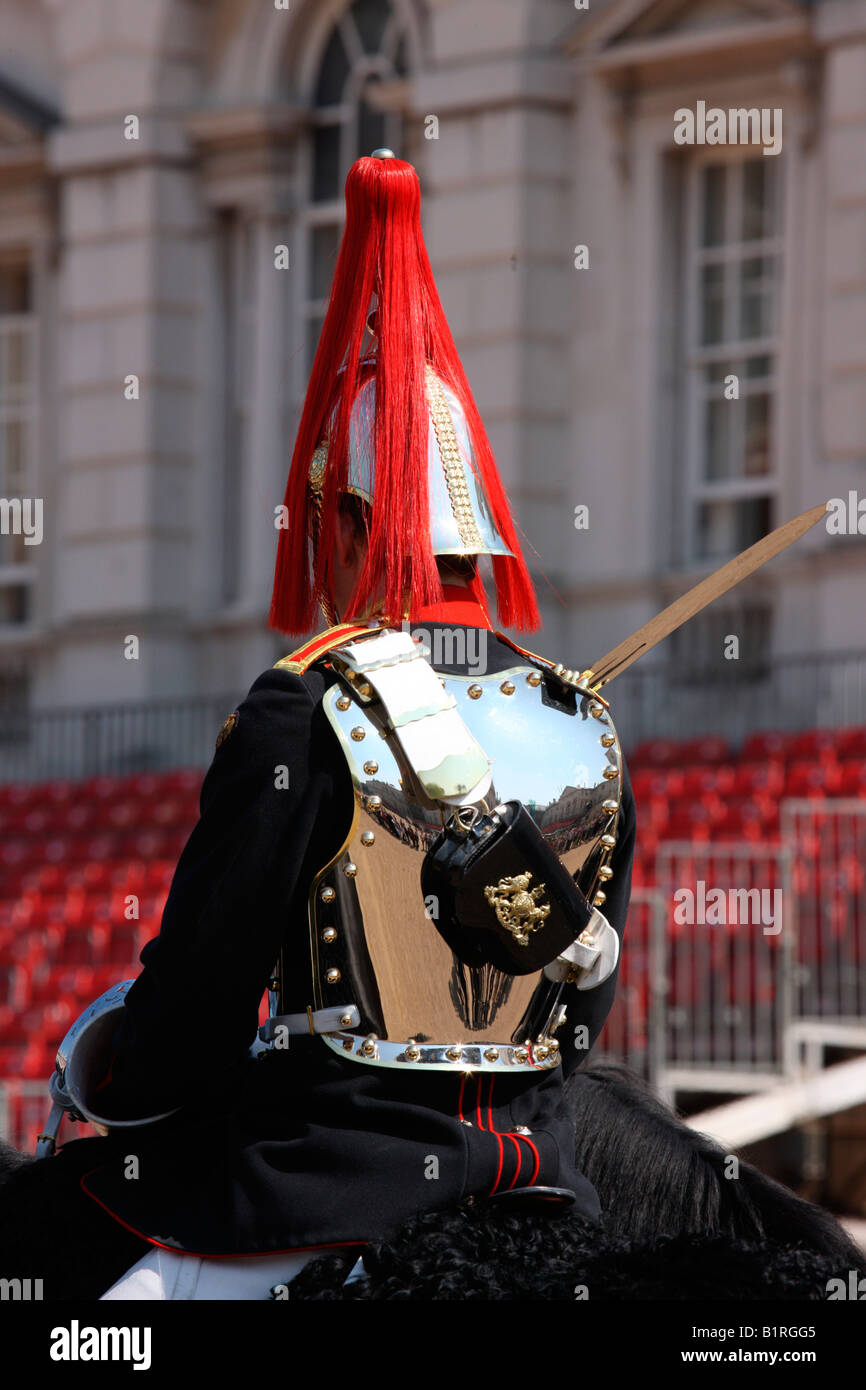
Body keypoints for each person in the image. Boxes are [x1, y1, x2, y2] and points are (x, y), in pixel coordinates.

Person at [47, 152, 639, 1299]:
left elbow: (195, 1020)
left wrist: (113, 1072)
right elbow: (574, 1033)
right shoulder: (585, 720)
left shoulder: (304, 706)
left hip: (323, 1189)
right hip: (540, 1181)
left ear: (342, 515)